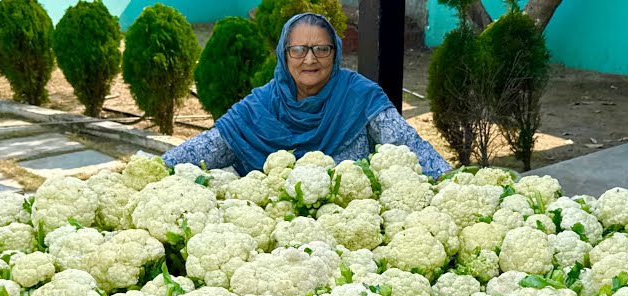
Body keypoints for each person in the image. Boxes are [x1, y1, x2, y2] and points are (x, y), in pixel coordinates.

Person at [162, 12, 451, 178]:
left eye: (321, 49)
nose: (310, 59)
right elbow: (207, 148)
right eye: (299, 49)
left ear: (335, 53)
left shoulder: (359, 96)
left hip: (350, 237)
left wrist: (451, 180)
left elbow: (409, 146)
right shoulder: (260, 106)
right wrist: (157, 169)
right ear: (284, 54)